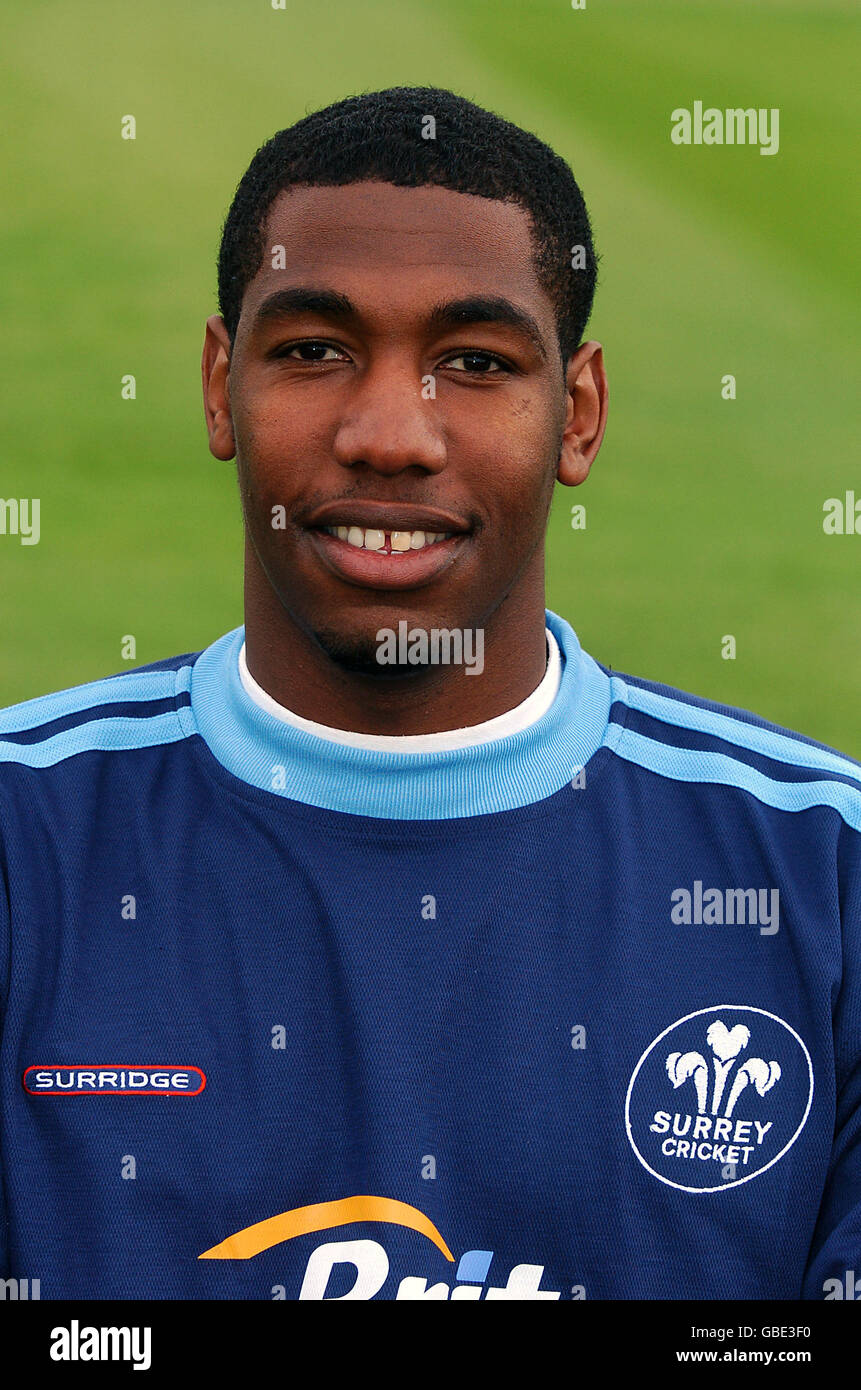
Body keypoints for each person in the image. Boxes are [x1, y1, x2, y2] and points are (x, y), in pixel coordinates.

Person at [1, 87, 858, 1301]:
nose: (391, 433)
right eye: (313, 350)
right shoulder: (22, 845)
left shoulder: (826, 873)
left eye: (475, 362)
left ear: (581, 413)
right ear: (216, 387)